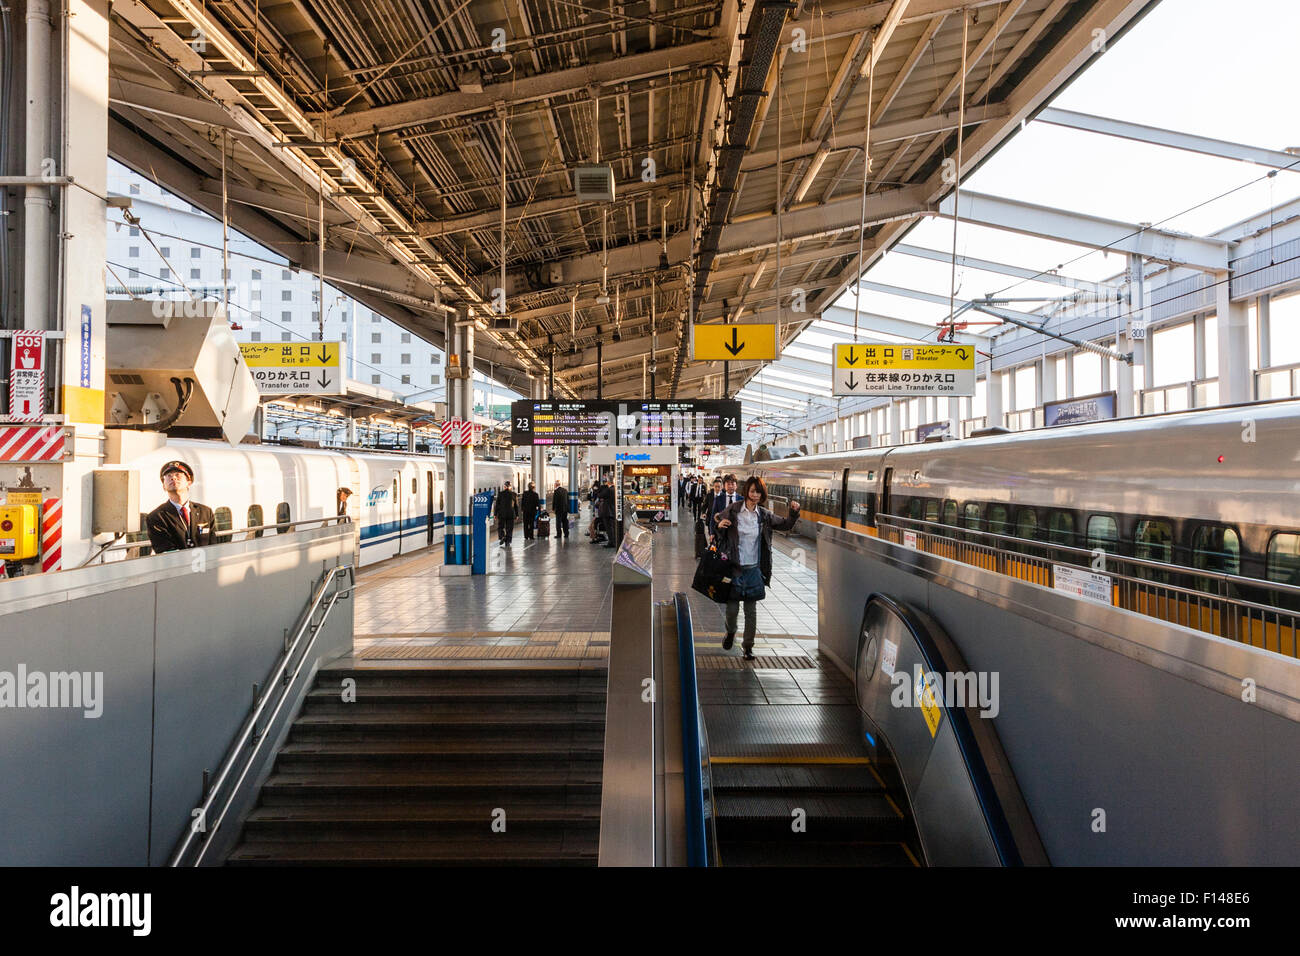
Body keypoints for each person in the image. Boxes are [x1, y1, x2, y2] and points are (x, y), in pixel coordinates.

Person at [714, 476, 800, 660]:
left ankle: (748, 647)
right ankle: (731, 632)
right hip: (734, 567)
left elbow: (785, 525)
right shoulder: (734, 509)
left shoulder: (764, 515)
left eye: (758, 492)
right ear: (746, 492)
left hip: (754, 569)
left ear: (762, 495)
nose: (755, 495)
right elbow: (718, 520)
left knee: (751, 612)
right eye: (752, 491)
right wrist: (719, 525)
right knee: (731, 610)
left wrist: (793, 513)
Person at [146, 460, 215, 554]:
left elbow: (213, 546)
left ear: (189, 482)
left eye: (178, 475)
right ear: (164, 486)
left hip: (206, 566)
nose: (173, 478)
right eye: (168, 476)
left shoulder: (206, 512)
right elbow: (165, 550)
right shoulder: (156, 517)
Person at [495, 480, 519, 547]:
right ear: (510, 487)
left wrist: (495, 514)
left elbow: (497, 505)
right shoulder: (514, 494)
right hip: (510, 514)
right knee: (509, 528)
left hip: (501, 514)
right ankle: (508, 541)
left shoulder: (500, 494)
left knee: (500, 527)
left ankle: (502, 536)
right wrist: (517, 515)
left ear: (505, 487)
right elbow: (516, 506)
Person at [598, 477, 617, 548]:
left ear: (608, 482)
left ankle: (611, 542)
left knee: (609, 528)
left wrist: (604, 487)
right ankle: (614, 541)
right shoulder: (616, 489)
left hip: (608, 511)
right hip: (614, 511)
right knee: (613, 527)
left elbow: (600, 495)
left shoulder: (609, 490)